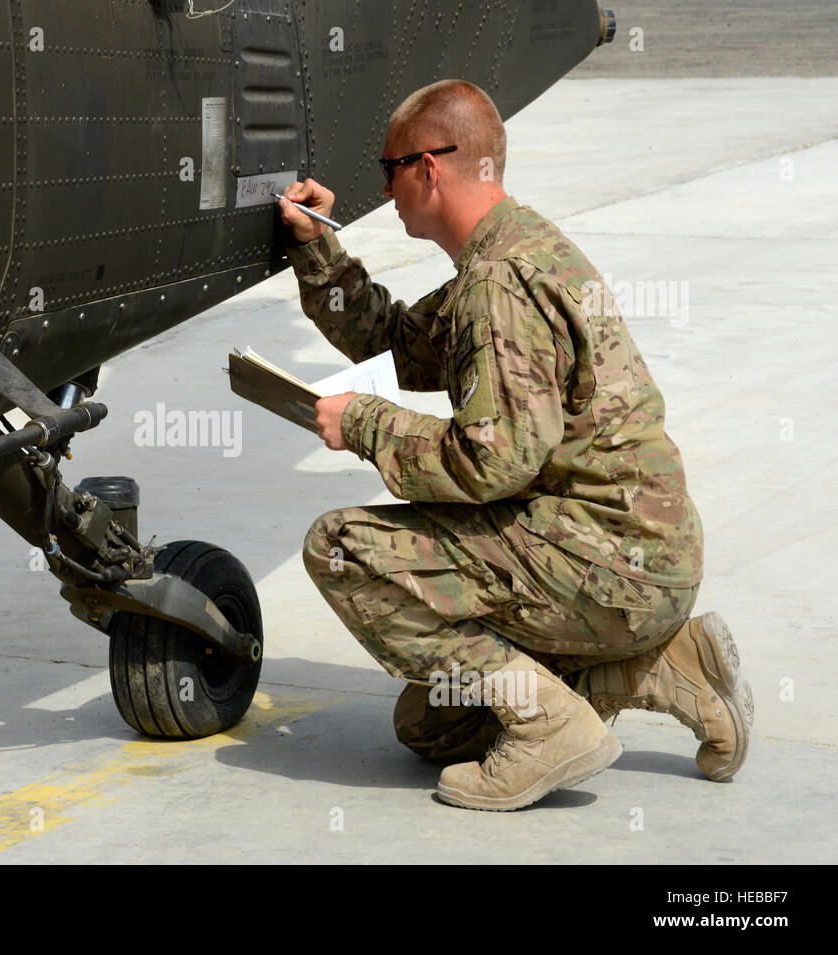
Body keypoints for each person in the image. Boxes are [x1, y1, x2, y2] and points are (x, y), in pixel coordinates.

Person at [277, 79, 752, 811]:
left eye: (389, 170)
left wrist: (366, 424)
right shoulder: (517, 248)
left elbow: (495, 462)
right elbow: (394, 342)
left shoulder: (497, 283)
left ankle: (547, 727)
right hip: (629, 557)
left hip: (605, 558)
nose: (385, 187)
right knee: (433, 721)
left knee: (339, 546)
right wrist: (319, 248)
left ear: (429, 169)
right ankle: (652, 668)